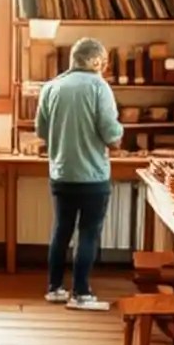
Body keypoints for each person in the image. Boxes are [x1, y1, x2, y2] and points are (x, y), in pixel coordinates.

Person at [35, 37, 123, 311]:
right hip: (92, 176)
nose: (105, 67)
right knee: (88, 233)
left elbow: (40, 131)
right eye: (104, 62)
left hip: (61, 173)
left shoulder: (51, 87)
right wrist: (118, 137)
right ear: (96, 61)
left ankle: (55, 288)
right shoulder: (99, 87)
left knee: (61, 230)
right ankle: (81, 293)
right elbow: (111, 133)